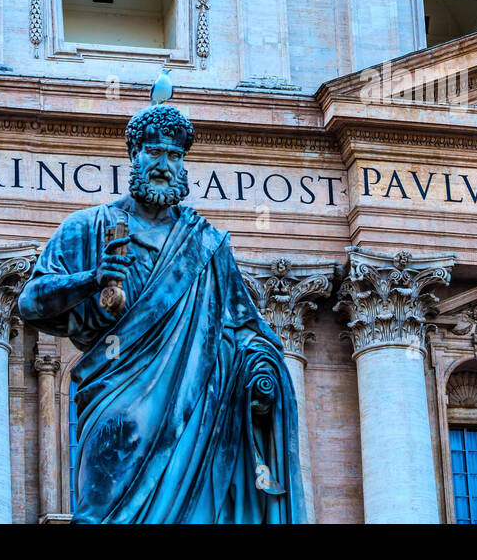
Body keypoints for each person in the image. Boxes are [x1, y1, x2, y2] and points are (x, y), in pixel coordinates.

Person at [18, 101, 305, 523]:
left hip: (195, 417)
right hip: (115, 407)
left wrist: (261, 372)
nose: (164, 164)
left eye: (174, 155)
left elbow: (246, 329)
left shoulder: (207, 244)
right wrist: (91, 279)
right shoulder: (88, 227)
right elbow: (31, 303)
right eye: (154, 152)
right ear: (134, 156)